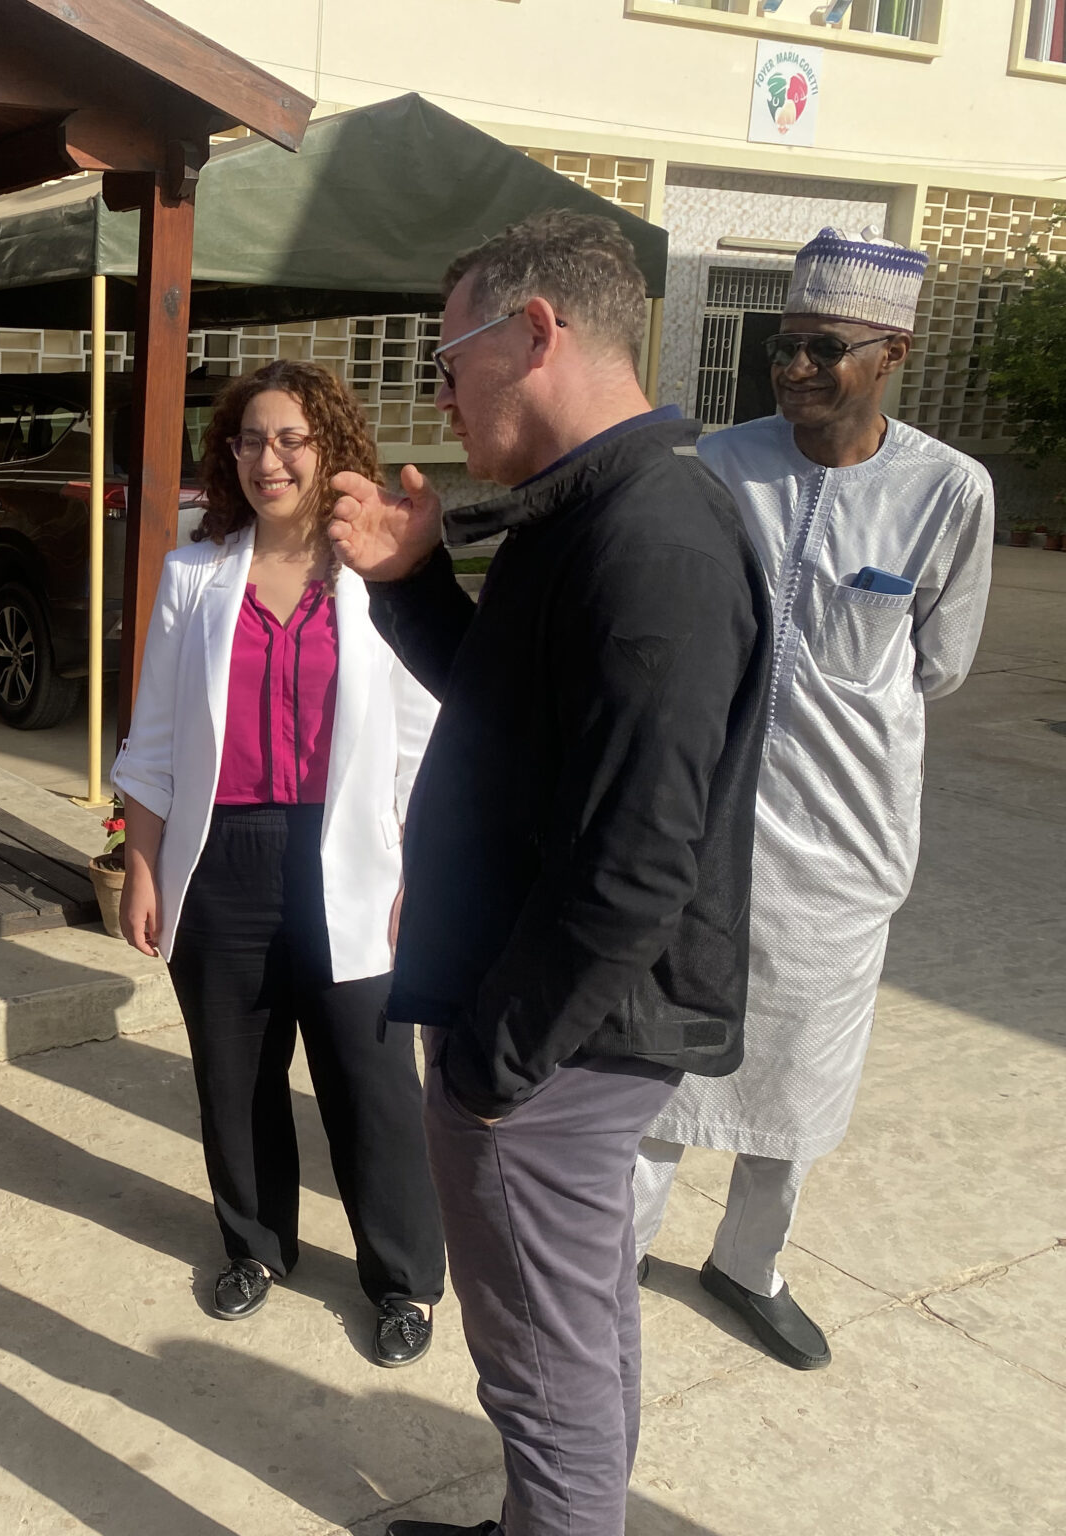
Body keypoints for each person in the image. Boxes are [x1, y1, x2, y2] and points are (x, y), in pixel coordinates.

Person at [326, 213, 772, 1536]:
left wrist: (492, 1070)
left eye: (449, 356)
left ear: (535, 333)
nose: (438, 391)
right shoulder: (585, 513)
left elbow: (637, 861)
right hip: (548, 1019)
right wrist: (413, 584)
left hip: (560, 1041)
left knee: (542, 1374)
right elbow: (515, 729)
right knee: (578, 1339)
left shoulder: (653, 540)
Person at [632, 230, 994, 1371]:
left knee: (796, 1085)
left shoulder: (946, 491)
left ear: (889, 353)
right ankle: (607, 1256)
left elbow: (938, 662)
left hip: (842, 847)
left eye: (821, 349)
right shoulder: (717, 463)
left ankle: (747, 1266)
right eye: (781, 346)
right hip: (706, 826)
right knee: (657, 1065)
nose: (792, 369)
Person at [114, 360, 448, 1366]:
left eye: (291, 439)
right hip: (222, 858)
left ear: (330, 449)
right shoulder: (194, 573)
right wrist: (141, 863)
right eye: (250, 440)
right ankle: (255, 1246)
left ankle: (401, 1280)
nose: (268, 459)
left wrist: (414, 874)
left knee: (371, 1077)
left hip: (348, 854)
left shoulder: (372, 574)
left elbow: (419, 743)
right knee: (234, 1069)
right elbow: (159, 736)